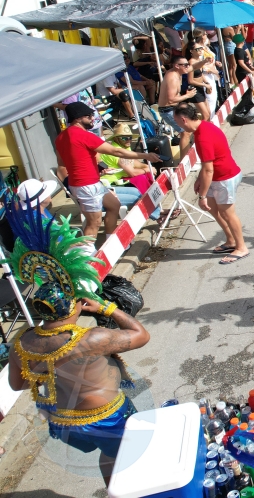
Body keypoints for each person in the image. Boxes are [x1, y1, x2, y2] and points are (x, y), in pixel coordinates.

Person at [6, 208, 149, 486]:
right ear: (76, 305)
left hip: (64, 423)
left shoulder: (22, 342)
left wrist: (54, 370)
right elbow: (140, 335)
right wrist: (107, 307)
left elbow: (17, 384)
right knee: (134, 456)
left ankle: (113, 490)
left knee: (110, 456)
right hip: (106, 419)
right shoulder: (90, 339)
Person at [55, 103, 161, 242]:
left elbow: (61, 163)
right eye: (89, 116)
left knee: (114, 205)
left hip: (86, 183)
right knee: (94, 222)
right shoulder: (84, 135)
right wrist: (146, 156)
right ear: (78, 118)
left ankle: (111, 242)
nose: (93, 118)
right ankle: (85, 253)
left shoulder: (60, 137)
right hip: (87, 185)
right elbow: (116, 151)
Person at [172, 104, 248, 264]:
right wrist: (200, 179)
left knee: (228, 213)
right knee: (214, 209)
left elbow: (208, 169)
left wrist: (202, 196)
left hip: (224, 177)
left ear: (183, 119)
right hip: (218, 177)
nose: (176, 125)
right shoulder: (204, 127)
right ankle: (231, 240)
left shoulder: (202, 137)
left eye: (176, 121)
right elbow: (207, 167)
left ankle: (241, 247)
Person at [157, 55, 198, 150]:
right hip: (168, 110)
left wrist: (204, 61)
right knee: (185, 132)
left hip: (174, 108)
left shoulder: (178, 71)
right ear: (177, 66)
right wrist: (188, 96)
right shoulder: (173, 78)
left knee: (189, 130)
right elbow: (171, 99)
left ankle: (190, 152)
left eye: (188, 64)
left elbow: (194, 67)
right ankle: (184, 157)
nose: (188, 66)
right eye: (185, 65)